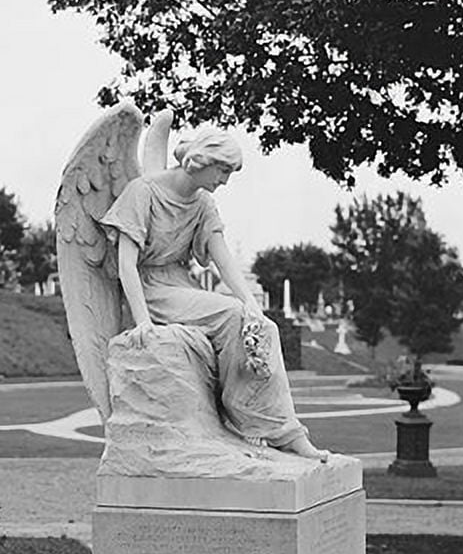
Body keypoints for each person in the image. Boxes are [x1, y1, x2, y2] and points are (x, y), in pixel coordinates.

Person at [97, 125, 326, 461]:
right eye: (223, 170)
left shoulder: (202, 203)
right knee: (232, 315)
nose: (225, 180)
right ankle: (257, 418)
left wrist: (250, 302)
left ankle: (280, 428)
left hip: (180, 285)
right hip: (152, 289)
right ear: (201, 160)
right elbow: (126, 266)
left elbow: (223, 259)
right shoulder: (143, 192)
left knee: (261, 326)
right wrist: (142, 320)